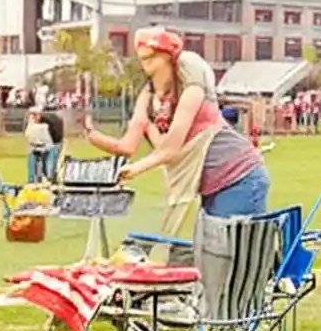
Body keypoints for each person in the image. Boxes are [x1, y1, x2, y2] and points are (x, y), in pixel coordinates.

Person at [83, 27, 269, 220]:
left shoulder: (192, 90)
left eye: (153, 56)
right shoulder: (148, 97)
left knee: (230, 247)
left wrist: (137, 168)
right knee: (210, 246)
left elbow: (170, 150)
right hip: (209, 184)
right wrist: (93, 136)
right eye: (143, 58)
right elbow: (127, 146)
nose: (146, 63)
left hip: (239, 175)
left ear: (169, 58)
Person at [24, 105, 63, 183]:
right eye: (31, 115)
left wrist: (48, 145)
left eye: (35, 115)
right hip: (36, 144)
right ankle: (31, 180)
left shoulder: (49, 122)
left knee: (50, 158)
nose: (33, 117)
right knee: (31, 157)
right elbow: (28, 135)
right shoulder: (29, 123)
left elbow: (56, 137)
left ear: (39, 115)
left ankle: (50, 178)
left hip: (53, 142)